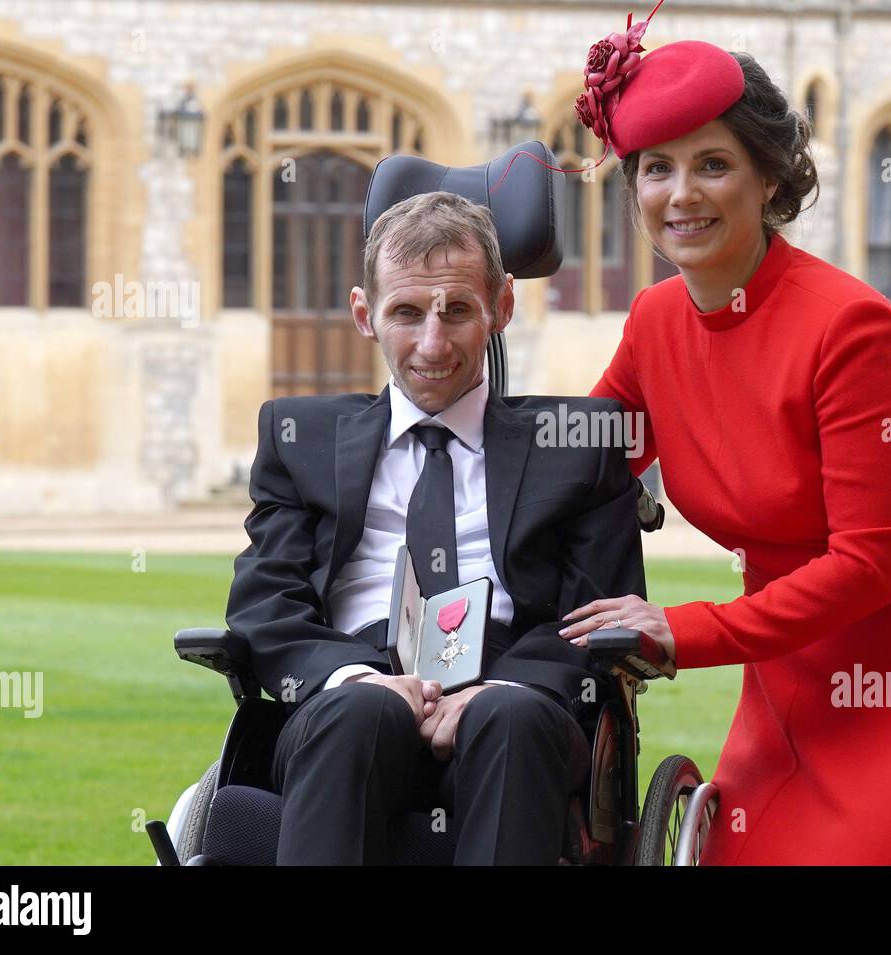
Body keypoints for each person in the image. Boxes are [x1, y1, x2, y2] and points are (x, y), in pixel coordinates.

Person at [554, 5, 891, 865]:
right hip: (790, 686)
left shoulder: (853, 328)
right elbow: (576, 459)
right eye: (657, 168)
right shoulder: (655, 320)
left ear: (769, 180)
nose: (681, 194)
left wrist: (681, 630)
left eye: (714, 164)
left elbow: (867, 567)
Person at [224, 191, 646, 864]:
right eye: (406, 313)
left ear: (501, 308)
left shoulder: (581, 444)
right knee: (358, 714)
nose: (432, 342)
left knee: (508, 719)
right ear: (365, 314)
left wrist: (503, 685)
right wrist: (352, 678)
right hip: (352, 683)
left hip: (516, 692)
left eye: (457, 310)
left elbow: (602, 615)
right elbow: (264, 606)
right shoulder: (299, 437)